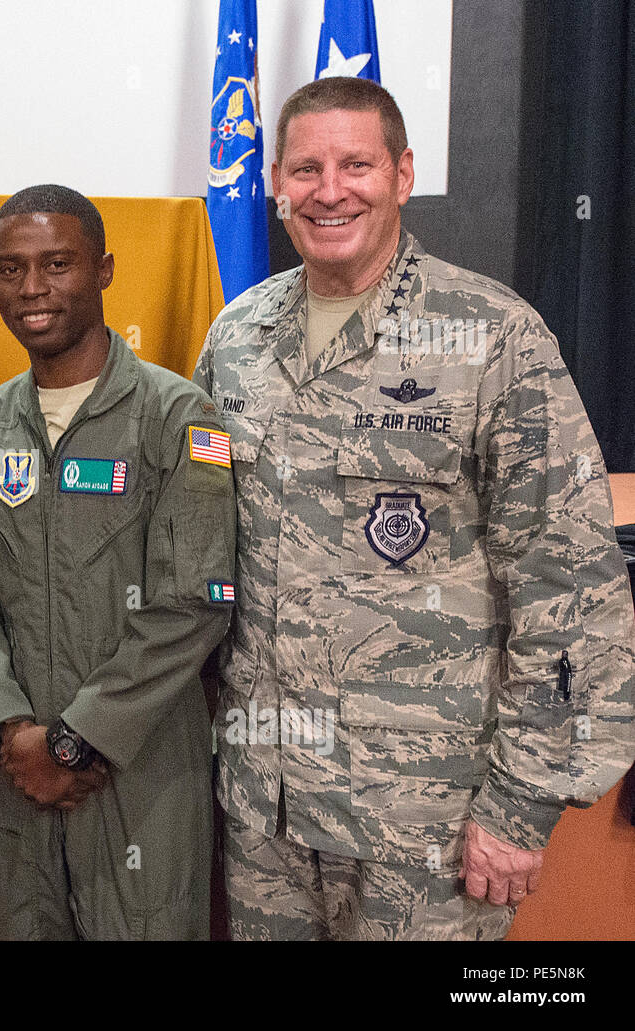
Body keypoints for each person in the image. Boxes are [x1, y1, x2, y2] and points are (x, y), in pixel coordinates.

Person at [194, 76, 635, 940]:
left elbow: (570, 584)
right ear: (277, 182)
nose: (330, 190)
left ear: (401, 173)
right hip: (265, 810)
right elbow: (207, 554)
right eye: (307, 168)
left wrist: (521, 804)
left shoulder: (492, 337)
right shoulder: (236, 339)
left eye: (356, 164)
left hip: (422, 820)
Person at [0, 185, 236, 939]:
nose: (31, 289)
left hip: (138, 773)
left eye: (57, 264)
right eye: (10, 269)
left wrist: (77, 740)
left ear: (104, 270)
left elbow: (195, 601)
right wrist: (13, 730)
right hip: (23, 776)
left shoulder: (177, 416)